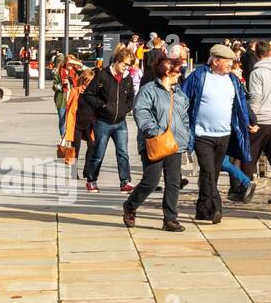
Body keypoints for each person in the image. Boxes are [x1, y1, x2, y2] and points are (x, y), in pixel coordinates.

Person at [181, 44, 253, 224]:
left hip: (225, 134)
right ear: (216, 61)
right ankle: (216, 209)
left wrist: (250, 121)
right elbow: (183, 100)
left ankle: (202, 210)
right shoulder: (198, 76)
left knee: (211, 173)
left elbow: (241, 103)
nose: (231, 65)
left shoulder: (233, 80)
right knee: (208, 171)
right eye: (228, 62)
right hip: (201, 134)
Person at [123, 54, 192, 232]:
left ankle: (170, 219)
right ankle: (130, 205)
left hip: (174, 143)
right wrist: (155, 131)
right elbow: (141, 112)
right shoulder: (149, 90)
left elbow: (184, 116)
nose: (179, 73)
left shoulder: (179, 92)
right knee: (151, 181)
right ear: (167, 71)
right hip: (155, 142)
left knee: (173, 182)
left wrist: (186, 134)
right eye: (176, 70)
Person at [80, 47, 138, 193]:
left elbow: (131, 96)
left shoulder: (127, 78)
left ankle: (125, 181)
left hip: (120, 122)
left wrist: (127, 108)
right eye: (125, 64)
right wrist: (102, 105)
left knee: (123, 153)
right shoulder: (102, 75)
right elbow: (88, 95)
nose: (127, 68)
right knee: (99, 153)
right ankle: (91, 180)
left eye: (129, 65)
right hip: (103, 122)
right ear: (117, 61)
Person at [242, 38, 271, 204]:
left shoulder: (257, 73)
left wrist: (250, 119)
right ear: (270, 53)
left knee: (249, 157)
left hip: (261, 120)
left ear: (256, 54)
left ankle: (245, 189)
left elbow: (256, 98)